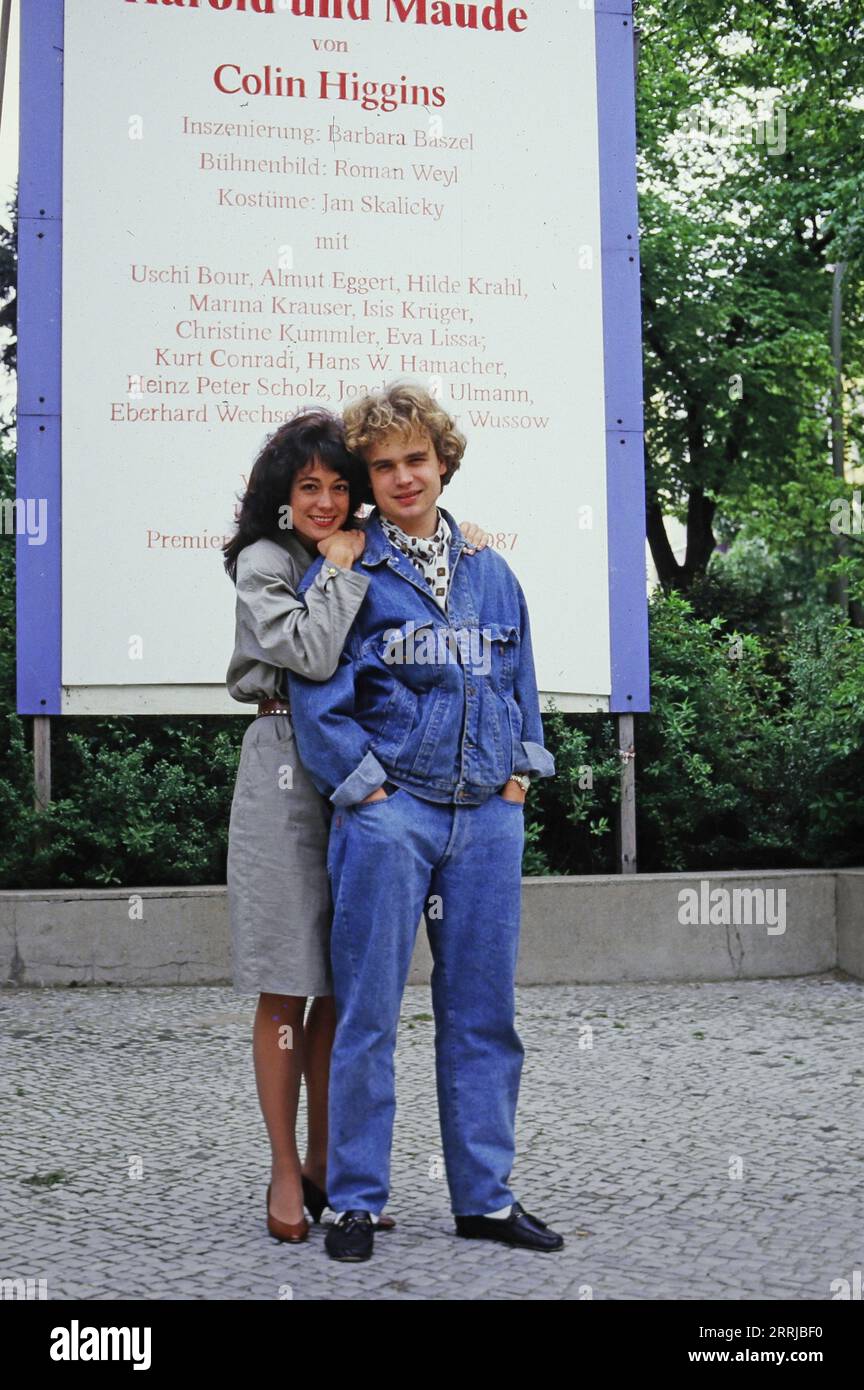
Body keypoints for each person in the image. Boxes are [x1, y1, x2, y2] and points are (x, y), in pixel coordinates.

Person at [287, 382, 564, 1262]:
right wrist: (367, 797)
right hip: (390, 818)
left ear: (442, 462)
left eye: (416, 458)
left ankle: (483, 1198)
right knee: (367, 1012)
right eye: (384, 465)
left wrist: (520, 779)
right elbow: (318, 698)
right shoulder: (351, 571)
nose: (403, 476)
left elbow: (520, 683)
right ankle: (358, 1201)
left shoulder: (491, 570)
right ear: (370, 479)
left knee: (484, 1014)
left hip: (487, 819)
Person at [223, 406, 488, 1244]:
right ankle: (280, 1171)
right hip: (281, 765)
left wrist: (458, 532)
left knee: (344, 987)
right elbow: (304, 655)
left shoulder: (366, 548)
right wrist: (338, 569)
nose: (327, 501)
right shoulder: (267, 562)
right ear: (281, 495)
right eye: (309, 487)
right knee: (284, 983)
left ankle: (329, 1165)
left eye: (341, 486)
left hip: (365, 764)